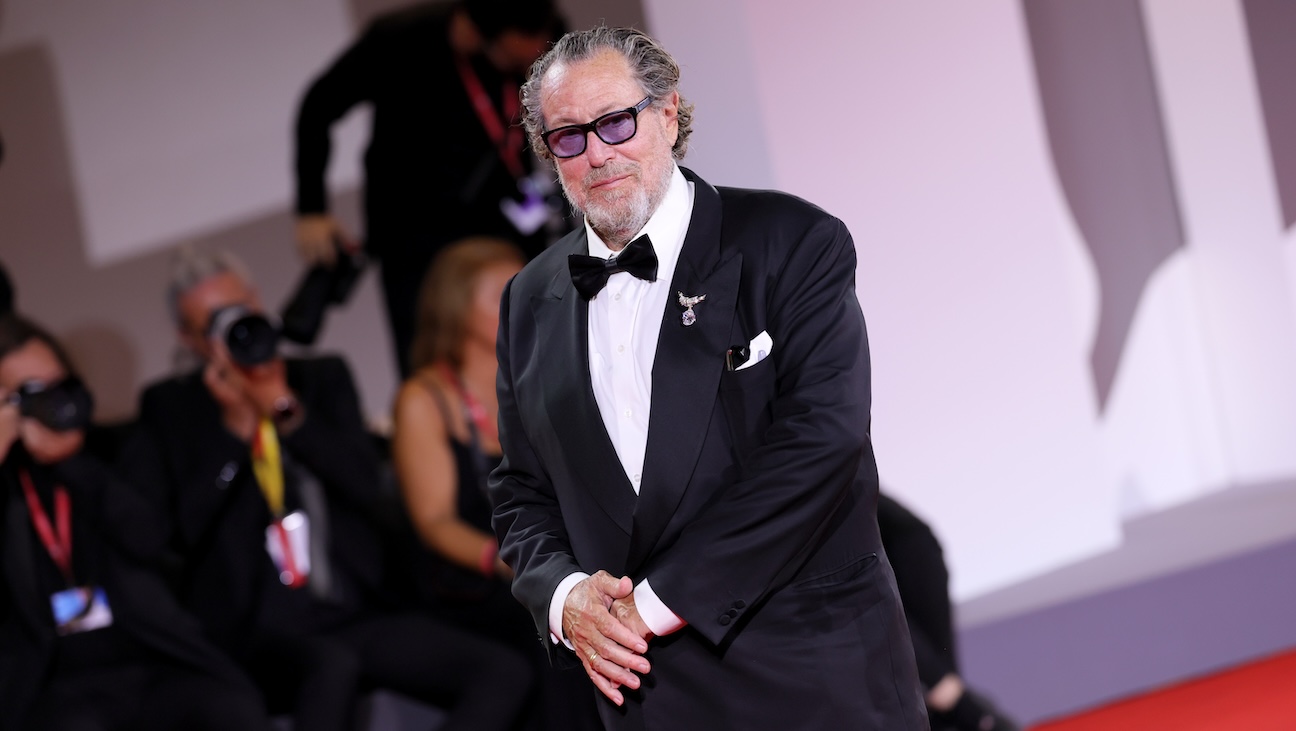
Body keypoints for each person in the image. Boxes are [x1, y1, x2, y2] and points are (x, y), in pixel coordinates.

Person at [489, 25, 929, 730]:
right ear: (549, 155)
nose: (597, 153)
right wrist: (565, 595)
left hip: (814, 672)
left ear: (667, 114)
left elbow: (824, 439)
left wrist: (657, 602)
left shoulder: (791, 241)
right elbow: (521, 489)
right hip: (647, 694)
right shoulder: (528, 300)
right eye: (568, 137)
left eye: (615, 122)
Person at [119, 249, 532, 731]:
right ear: (188, 338)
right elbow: (178, 536)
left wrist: (283, 407)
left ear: (256, 301)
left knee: (503, 673)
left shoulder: (319, 379)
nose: (232, 327)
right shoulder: (172, 408)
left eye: (239, 309)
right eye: (211, 322)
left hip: (352, 610)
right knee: (331, 667)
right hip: (256, 629)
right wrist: (236, 431)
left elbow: (365, 485)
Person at [0, 314, 272, 731]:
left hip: (152, 657)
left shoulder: (121, 448)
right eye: (32, 395)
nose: (54, 403)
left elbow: (152, 539)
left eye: (60, 384)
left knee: (232, 708)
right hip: (57, 684)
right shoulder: (7, 482)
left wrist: (75, 465)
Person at [391, 237, 602, 730]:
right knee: (548, 633)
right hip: (476, 581)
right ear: (457, 310)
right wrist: (509, 562)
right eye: (504, 293)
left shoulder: (545, 373)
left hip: (550, 561)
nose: (523, 300)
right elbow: (435, 521)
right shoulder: (425, 399)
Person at [294, 0, 567, 377]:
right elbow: (318, 106)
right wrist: (312, 209)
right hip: (414, 235)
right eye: (520, 47)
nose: (536, 55)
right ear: (475, 32)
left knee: (535, 343)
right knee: (428, 359)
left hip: (505, 221)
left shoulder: (541, 27)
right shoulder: (399, 40)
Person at [878, 493, 1019, 731]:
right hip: (882, 563)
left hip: (908, 553)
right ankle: (981, 719)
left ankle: (983, 720)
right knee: (942, 687)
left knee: (943, 686)